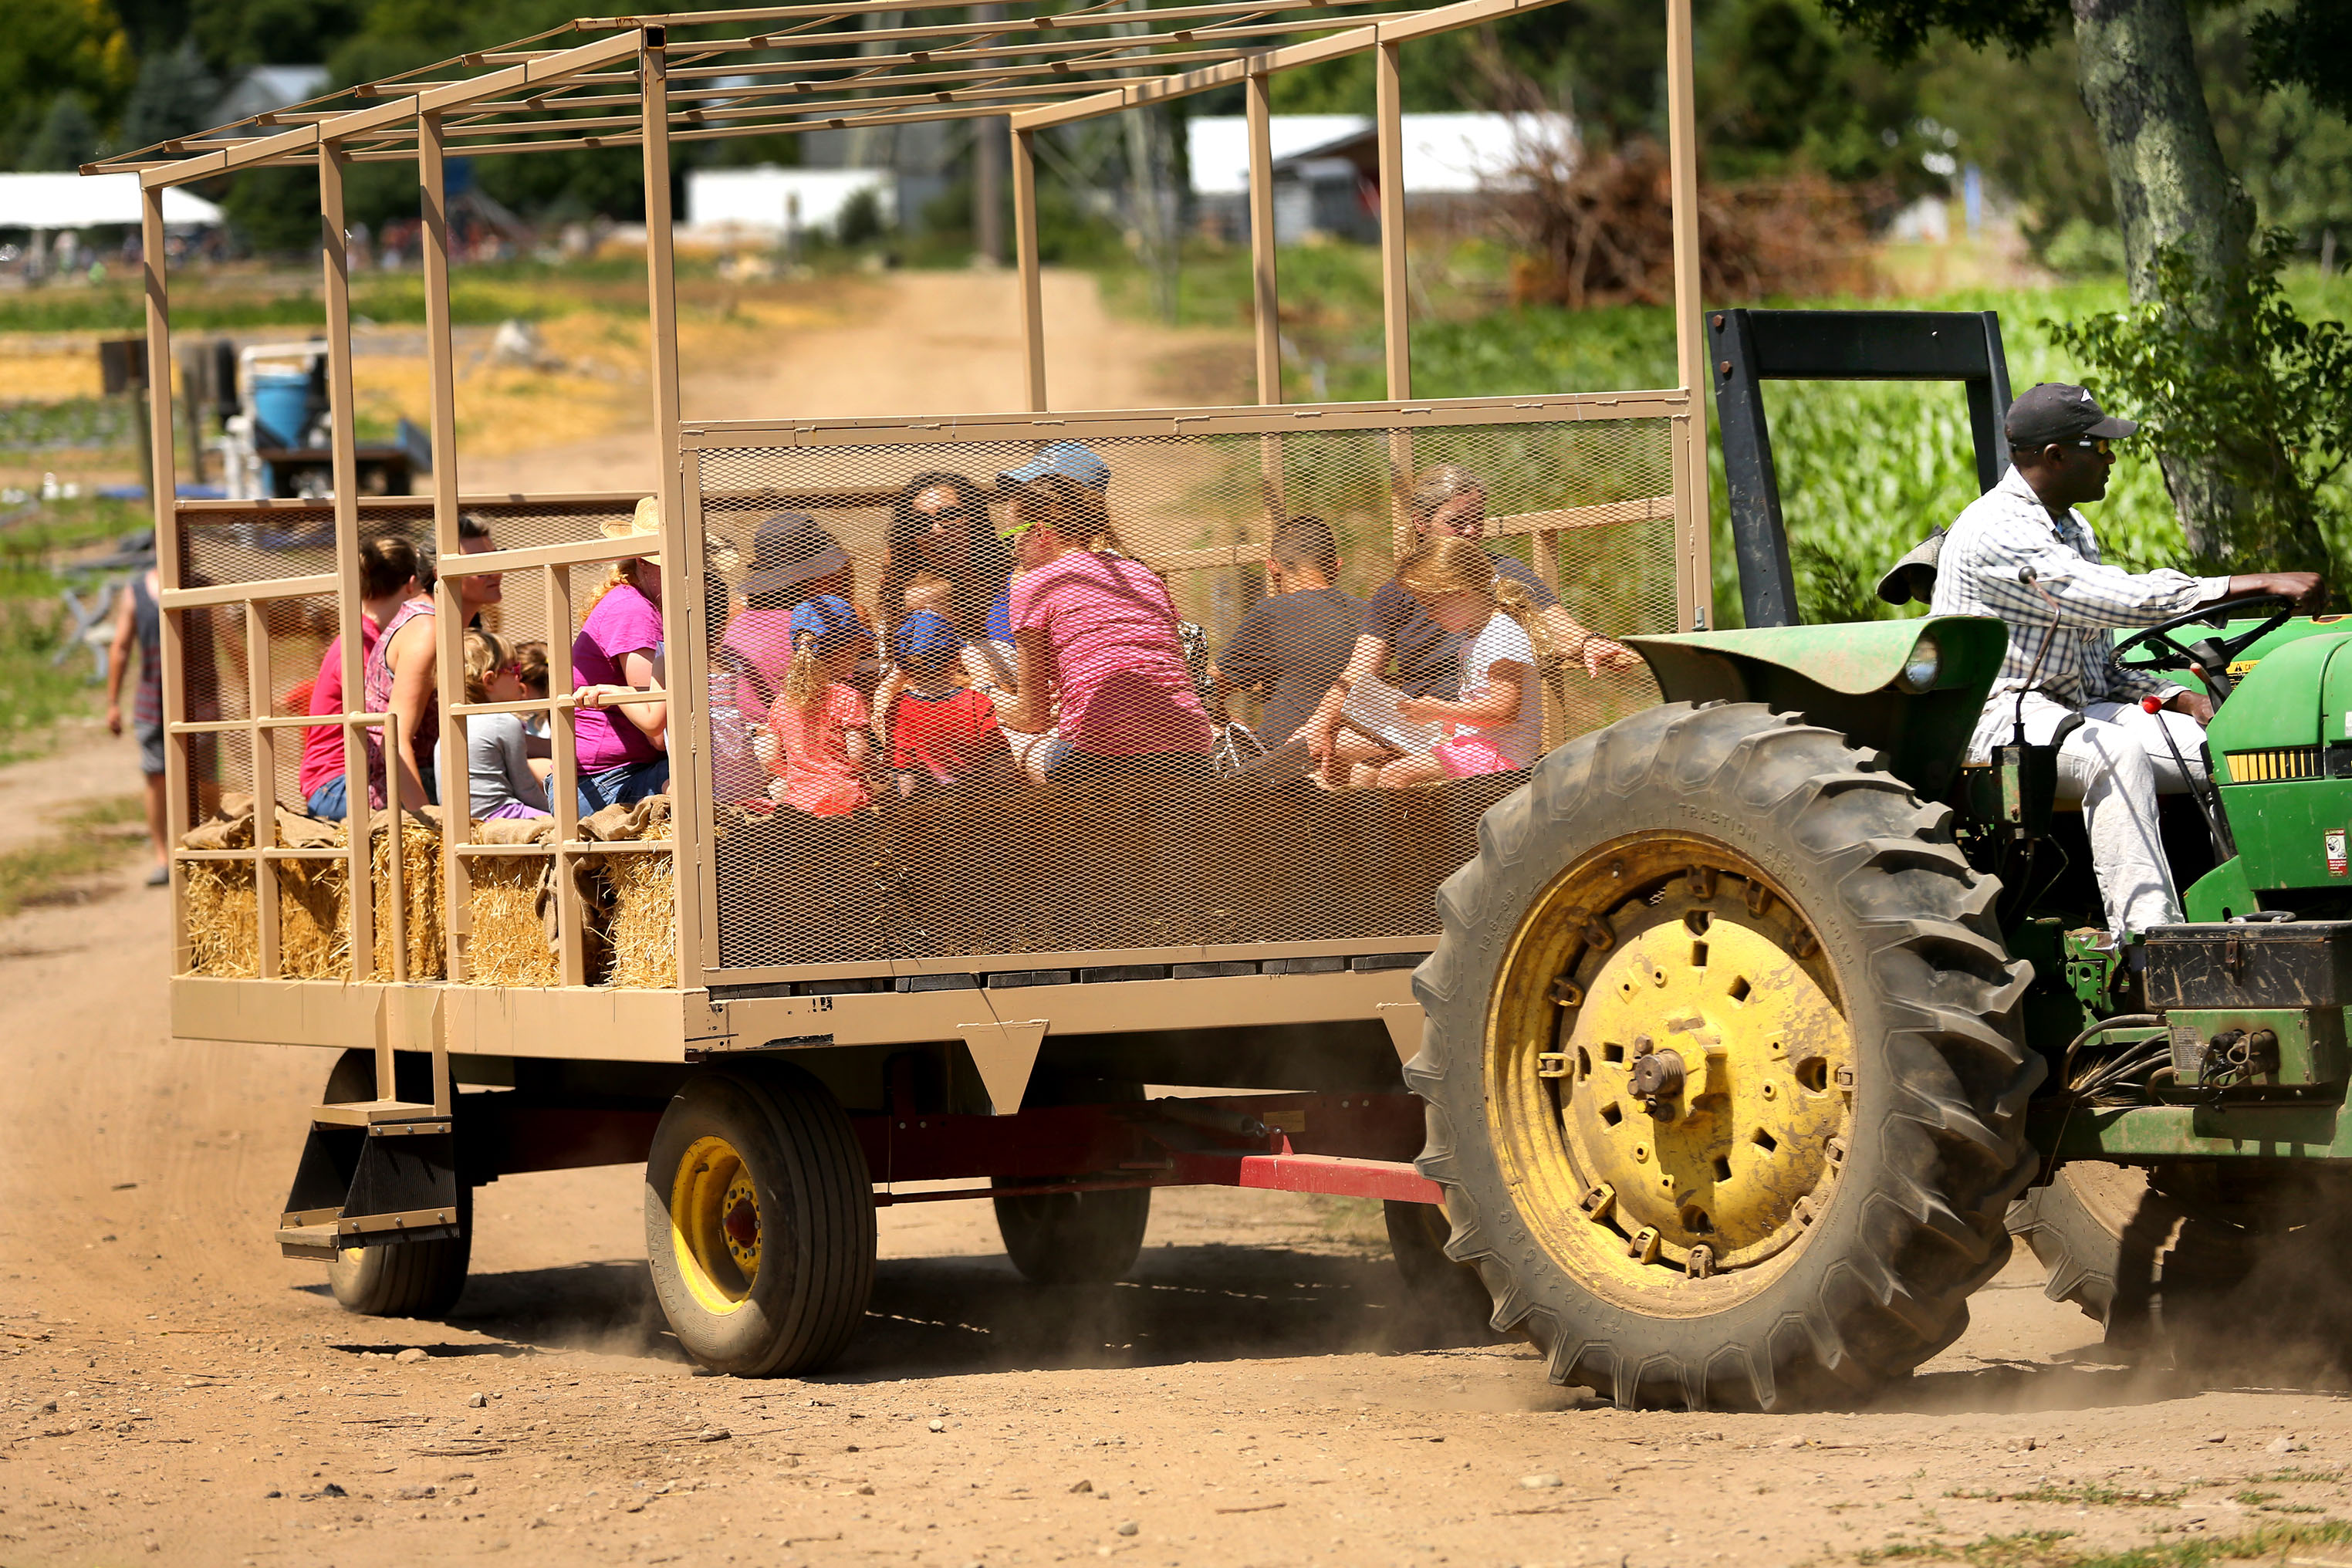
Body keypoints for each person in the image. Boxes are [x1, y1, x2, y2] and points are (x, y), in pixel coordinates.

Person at [1928, 381, 2323, 936]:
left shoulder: (2070, 525)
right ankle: (2149, 941)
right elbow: (2120, 600)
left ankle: (2255, 911)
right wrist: (2248, 583)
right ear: (2055, 456)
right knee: (2113, 754)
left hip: (2071, 707)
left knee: (2226, 747)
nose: (2111, 456)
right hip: (1998, 717)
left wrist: (2178, 698)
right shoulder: (1998, 531)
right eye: (2099, 445)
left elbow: (2097, 667)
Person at [1304, 463, 1630, 783]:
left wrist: (1591, 643)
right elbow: (1358, 671)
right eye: (1457, 522)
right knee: (1335, 749)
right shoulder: (1396, 591)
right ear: (1421, 522)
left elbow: (1557, 627)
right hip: (1428, 723)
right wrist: (1320, 724)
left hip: (1472, 727)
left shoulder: (1502, 575)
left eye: (1477, 520)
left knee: (1375, 773)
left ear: (1463, 593)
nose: (1472, 530)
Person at [999, 468, 1215, 785]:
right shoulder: (1140, 574)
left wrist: (984, 699)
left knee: (1011, 738)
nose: (1013, 550)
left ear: (1041, 533)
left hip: (1099, 760)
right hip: (1191, 751)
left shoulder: (1034, 584)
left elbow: (1033, 718)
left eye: (1012, 536)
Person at [1374, 537, 1550, 785]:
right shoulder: (1473, 636)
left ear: (1462, 593)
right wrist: (1441, 723)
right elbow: (1476, 701)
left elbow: (1504, 711)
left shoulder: (1500, 633)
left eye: (1433, 605)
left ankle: (1421, 826)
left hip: (1502, 757)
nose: (1430, 615)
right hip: (1475, 747)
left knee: (1396, 775)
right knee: (1371, 759)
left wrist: (1439, 710)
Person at [367, 515, 505, 811]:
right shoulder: (427, 630)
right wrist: (429, 825)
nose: (496, 571)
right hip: (409, 794)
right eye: (481, 564)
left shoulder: (459, 625)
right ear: (443, 573)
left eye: (497, 558)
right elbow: (395, 737)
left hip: (448, 774)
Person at [106, 561, 221, 883]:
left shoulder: (204, 586)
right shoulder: (136, 592)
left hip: (201, 701)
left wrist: (248, 687)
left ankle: (214, 847)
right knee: (156, 777)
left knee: (205, 776)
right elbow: (120, 647)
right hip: (152, 703)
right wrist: (112, 702)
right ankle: (164, 858)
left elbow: (229, 639)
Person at [296, 533, 422, 822]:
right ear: (412, 584)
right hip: (337, 785)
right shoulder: (359, 644)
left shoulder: (375, 638)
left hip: (353, 778)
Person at [1208, 516, 1366, 748]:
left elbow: (1209, 688)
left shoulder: (1272, 613)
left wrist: (1227, 723)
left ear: (1272, 566)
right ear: (1337, 565)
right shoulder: (1369, 613)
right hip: (1361, 745)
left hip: (1290, 759)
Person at [721, 512, 868, 728]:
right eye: (841, 569)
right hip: (816, 743)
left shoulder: (738, 622)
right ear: (819, 579)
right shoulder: (824, 627)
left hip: (751, 742)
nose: (848, 574)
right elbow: (855, 702)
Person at [572, 498, 671, 814]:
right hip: (606, 784)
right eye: (672, 563)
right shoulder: (634, 611)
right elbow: (657, 729)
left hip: (614, 775)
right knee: (713, 779)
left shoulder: (637, 602)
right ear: (642, 562)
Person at [769, 594, 878, 816]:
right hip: (846, 801)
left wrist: (791, 775)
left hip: (798, 803)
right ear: (847, 649)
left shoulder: (783, 701)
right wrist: (878, 771)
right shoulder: (847, 697)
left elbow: (769, 756)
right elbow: (857, 754)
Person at [884, 610, 1014, 796]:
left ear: (905, 669)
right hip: (978, 799)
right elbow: (999, 758)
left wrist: (908, 806)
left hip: (930, 803)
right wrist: (1009, 794)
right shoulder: (977, 701)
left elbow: (905, 767)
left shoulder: (900, 707)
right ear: (956, 661)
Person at [878, 472, 1015, 645]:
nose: (937, 530)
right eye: (920, 521)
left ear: (974, 519)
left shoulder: (1013, 583)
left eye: (949, 515)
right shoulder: (907, 590)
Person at [462, 628, 552, 820]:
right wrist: (554, 814)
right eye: (514, 670)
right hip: (502, 814)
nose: (519, 677)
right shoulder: (505, 722)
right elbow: (525, 788)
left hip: (464, 819)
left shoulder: (455, 723)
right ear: (490, 681)